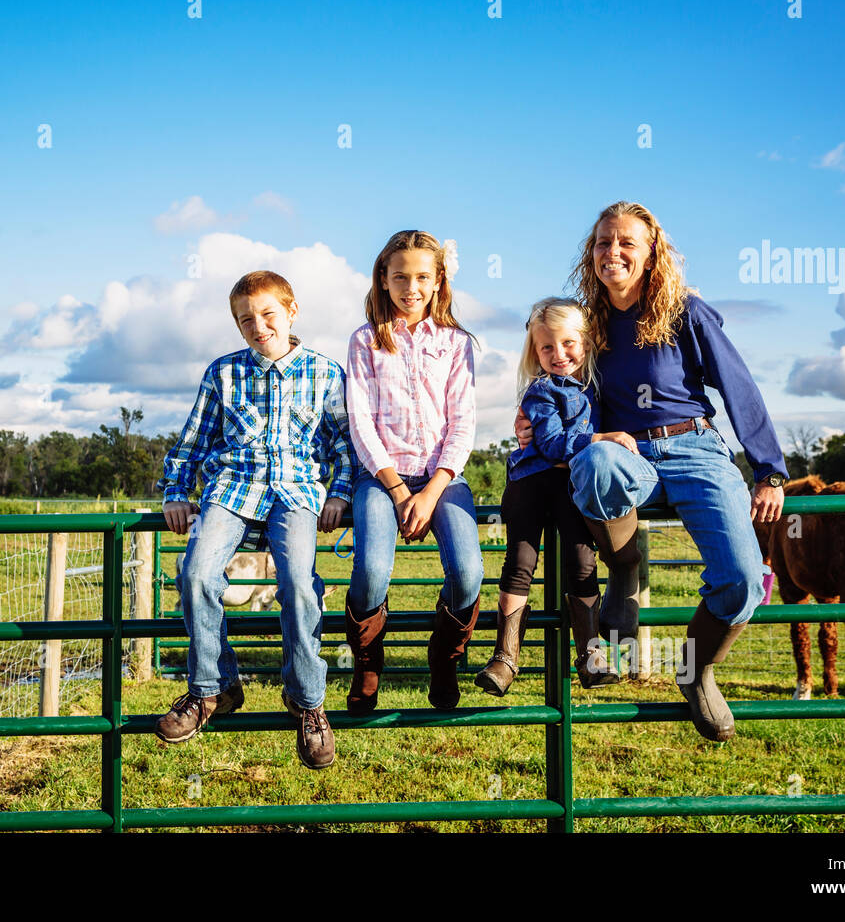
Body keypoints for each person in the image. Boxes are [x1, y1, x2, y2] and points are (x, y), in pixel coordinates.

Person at [519, 202, 787, 741]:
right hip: (625, 452)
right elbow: (562, 381)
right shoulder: (588, 324)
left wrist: (769, 469)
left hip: (695, 448)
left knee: (743, 580)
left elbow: (739, 387)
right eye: (601, 243)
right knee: (593, 462)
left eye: (625, 243)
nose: (611, 252)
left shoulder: (686, 311)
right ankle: (624, 570)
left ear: (651, 253)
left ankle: (697, 670)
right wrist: (532, 420)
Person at [156, 270, 355, 769]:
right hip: (231, 491)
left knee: (299, 585)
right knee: (197, 574)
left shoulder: (328, 373)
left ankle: (307, 700)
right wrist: (177, 492)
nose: (258, 325)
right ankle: (213, 688)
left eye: (268, 314)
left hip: (299, 491)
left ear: (292, 311)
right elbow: (193, 439)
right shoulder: (222, 373)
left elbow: (344, 444)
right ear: (237, 325)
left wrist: (340, 493)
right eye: (246, 319)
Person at [343, 231, 482, 713]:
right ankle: (367, 660)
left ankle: (444, 656)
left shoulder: (456, 342)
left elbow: (463, 422)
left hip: (443, 478)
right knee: (373, 570)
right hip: (382, 479)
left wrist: (431, 490)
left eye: (422, 276)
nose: (411, 287)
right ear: (383, 278)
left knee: (468, 572)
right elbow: (360, 421)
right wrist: (399, 489)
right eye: (399, 276)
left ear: (439, 279)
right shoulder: (366, 341)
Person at [476, 298, 635, 696]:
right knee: (521, 561)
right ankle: (505, 657)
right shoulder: (541, 391)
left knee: (582, 562)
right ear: (534, 352)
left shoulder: (599, 388)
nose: (558, 354)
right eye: (546, 347)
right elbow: (549, 443)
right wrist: (600, 438)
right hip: (533, 481)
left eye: (568, 343)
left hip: (571, 487)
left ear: (585, 342)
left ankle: (590, 655)